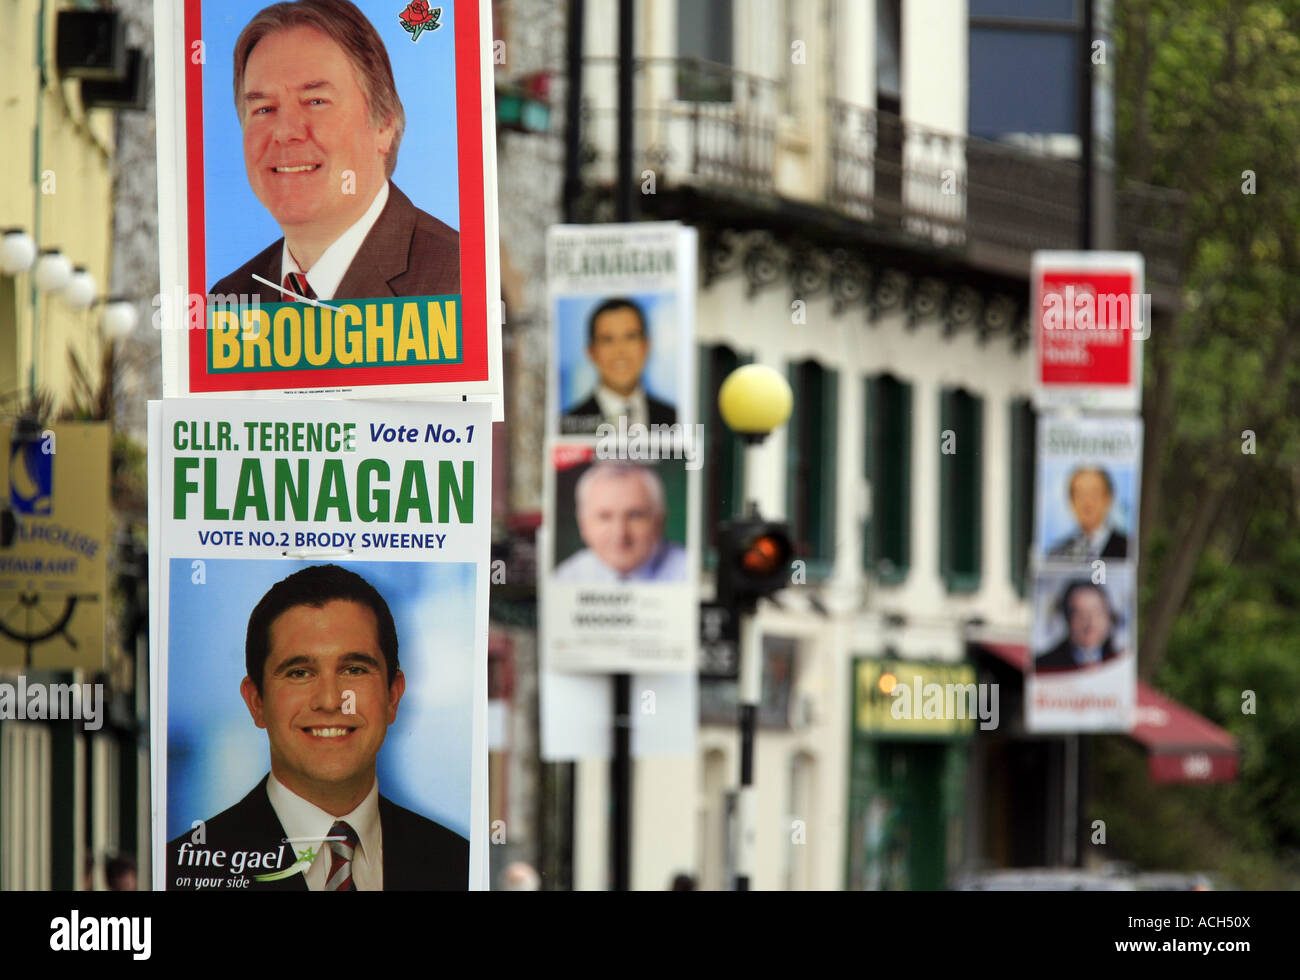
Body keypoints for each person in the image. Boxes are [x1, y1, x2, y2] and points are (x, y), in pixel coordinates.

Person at [165, 564, 468, 890]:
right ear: (256, 702)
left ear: (393, 695)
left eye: (354, 669)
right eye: (299, 672)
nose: (329, 700)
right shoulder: (179, 872)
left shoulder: (459, 865)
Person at [209, 0, 459, 304]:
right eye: (264, 109)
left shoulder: (458, 277)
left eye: (316, 101)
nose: (285, 131)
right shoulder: (230, 299)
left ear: (384, 125)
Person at [553, 462, 687, 583]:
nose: (620, 533)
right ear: (583, 524)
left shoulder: (689, 574)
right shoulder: (565, 579)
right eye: (605, 517)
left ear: (659, 522)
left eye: (634, 516)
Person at [560, 298, 677, 434]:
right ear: (591, 352)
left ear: (646, 347)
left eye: (630, 337)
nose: (620, 351)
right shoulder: (566, 426)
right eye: (607, 340)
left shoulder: (676, 419)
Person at [1035, 581, 1124, 672]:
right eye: (1081, 614)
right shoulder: (1043, 666)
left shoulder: (1122, 662)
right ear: (1067, 618)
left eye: (1097, 613)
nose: (1091, 623)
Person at [1047, 466, 1129, 560]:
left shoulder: (1127, 548)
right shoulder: (1057, 553)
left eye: (1094, 493)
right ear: (1071, 502)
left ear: (1108, 499)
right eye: (1080, 494)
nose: (1087, 502)